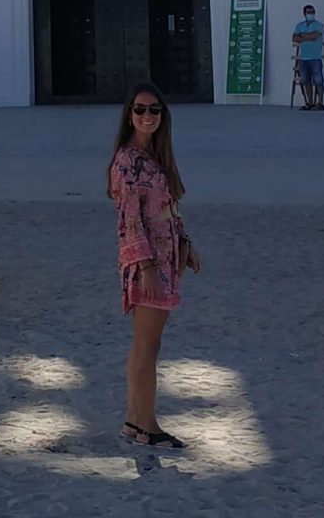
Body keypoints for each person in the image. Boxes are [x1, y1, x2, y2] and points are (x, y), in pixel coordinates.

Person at [110, 82, 196, 449]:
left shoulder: (156, 156)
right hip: (147, 261)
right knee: (147, 344)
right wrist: (146, 268)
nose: (148, 116)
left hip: (165, 254)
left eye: (155, 109)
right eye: (140, 109)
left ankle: (134, 421)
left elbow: (166, 207)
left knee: (147, 343)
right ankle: (148, 426)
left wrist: (186, 243)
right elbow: (130, 220)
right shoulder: (127, 161)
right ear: (129, 115)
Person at [291, 5, 324, 110]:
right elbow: (294, 38)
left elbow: (315, 36)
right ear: (304, 14)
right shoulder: (299, 25)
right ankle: (309, 102)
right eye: (309, 12)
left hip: (315, 57)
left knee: (318, 80)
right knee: (306, 80)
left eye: (313, 12)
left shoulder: (319, 25)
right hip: (303, 58)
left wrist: (302, 36)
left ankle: (320, 103)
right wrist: (308, 36)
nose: (311, 14)